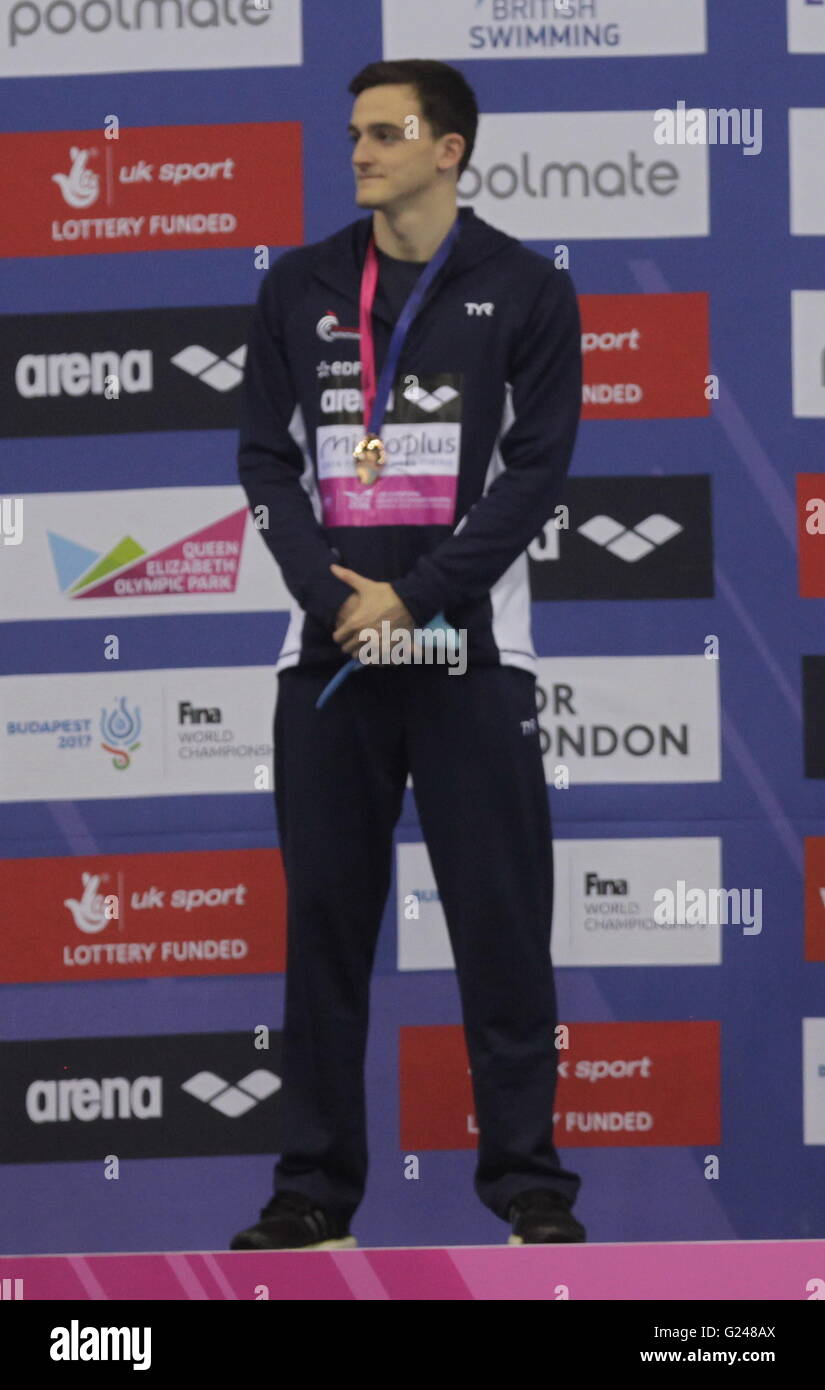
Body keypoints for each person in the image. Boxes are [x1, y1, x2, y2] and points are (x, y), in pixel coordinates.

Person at [231, 58, 585, 1251]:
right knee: (326, 930)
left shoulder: (528, 290)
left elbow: (534, 472)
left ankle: (531, 1185)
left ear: (452, 150)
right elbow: (267, 461)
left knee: (500, 925)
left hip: (474, 657)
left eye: (386, 133)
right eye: (354, 134)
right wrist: (329, 595)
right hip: (327, 655)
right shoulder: (302, 285)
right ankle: (313, 1193)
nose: (360, 153)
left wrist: (419, 596)